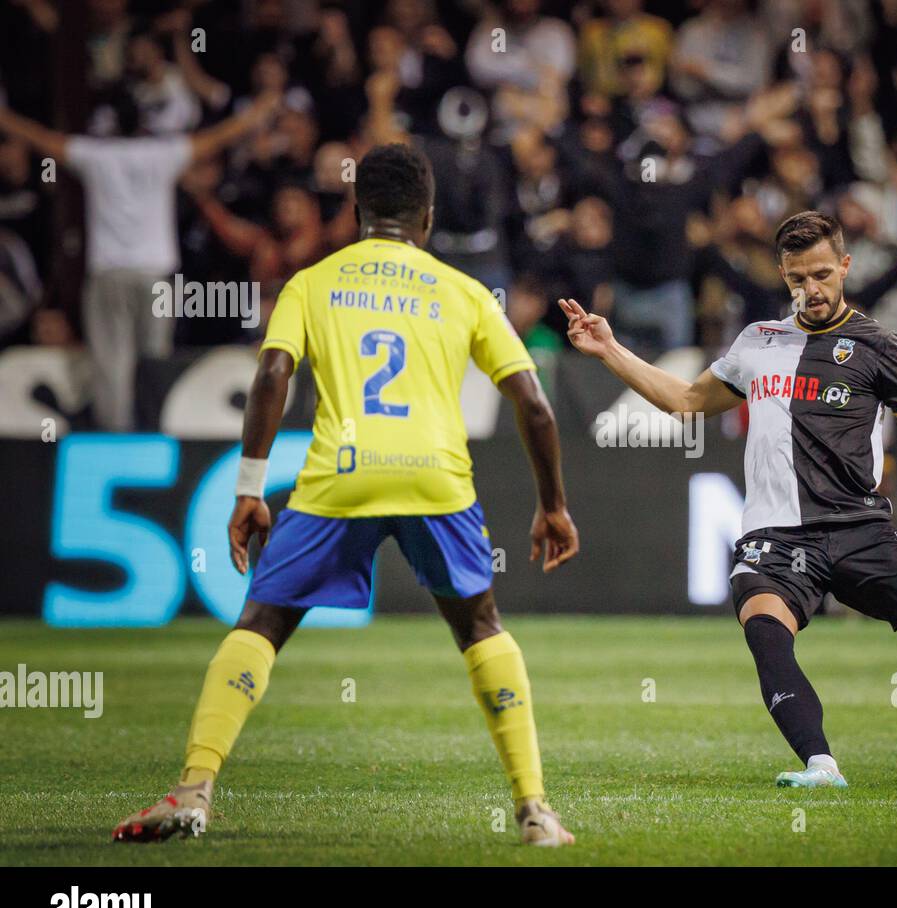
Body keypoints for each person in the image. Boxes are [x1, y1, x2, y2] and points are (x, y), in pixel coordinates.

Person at [112, 144, 580, 846]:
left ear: (357, 212)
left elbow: (273, 372)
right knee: (481, 627)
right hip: (435, 479)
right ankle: (536, 810)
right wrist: (552, 505)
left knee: (261, 624)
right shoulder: (465, 292)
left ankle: (193, 791)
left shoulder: (314, 280)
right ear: (427, 217)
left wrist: (249, 487)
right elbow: (535, 405)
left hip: (342, 473)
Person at [561, 211, 897, 788]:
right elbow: (684, 400)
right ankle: (821, 765)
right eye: (799, 278)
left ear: (845, 266)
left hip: (858, 528)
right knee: (766, 632)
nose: (812, 289)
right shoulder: (759, 342)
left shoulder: (879, 346)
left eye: (823, 274)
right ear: (783, 273)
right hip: (775, 538)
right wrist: (609, 350)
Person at [0, 90, 280, 430]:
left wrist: (6, 118)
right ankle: (152, 436)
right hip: (154, 277)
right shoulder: (162, 154)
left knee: (112, 367)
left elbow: (43, 139)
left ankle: (118, 442)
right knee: (154, 362)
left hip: (110, 275)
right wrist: (256, 112)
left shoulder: (95, 155)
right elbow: (218, 137)